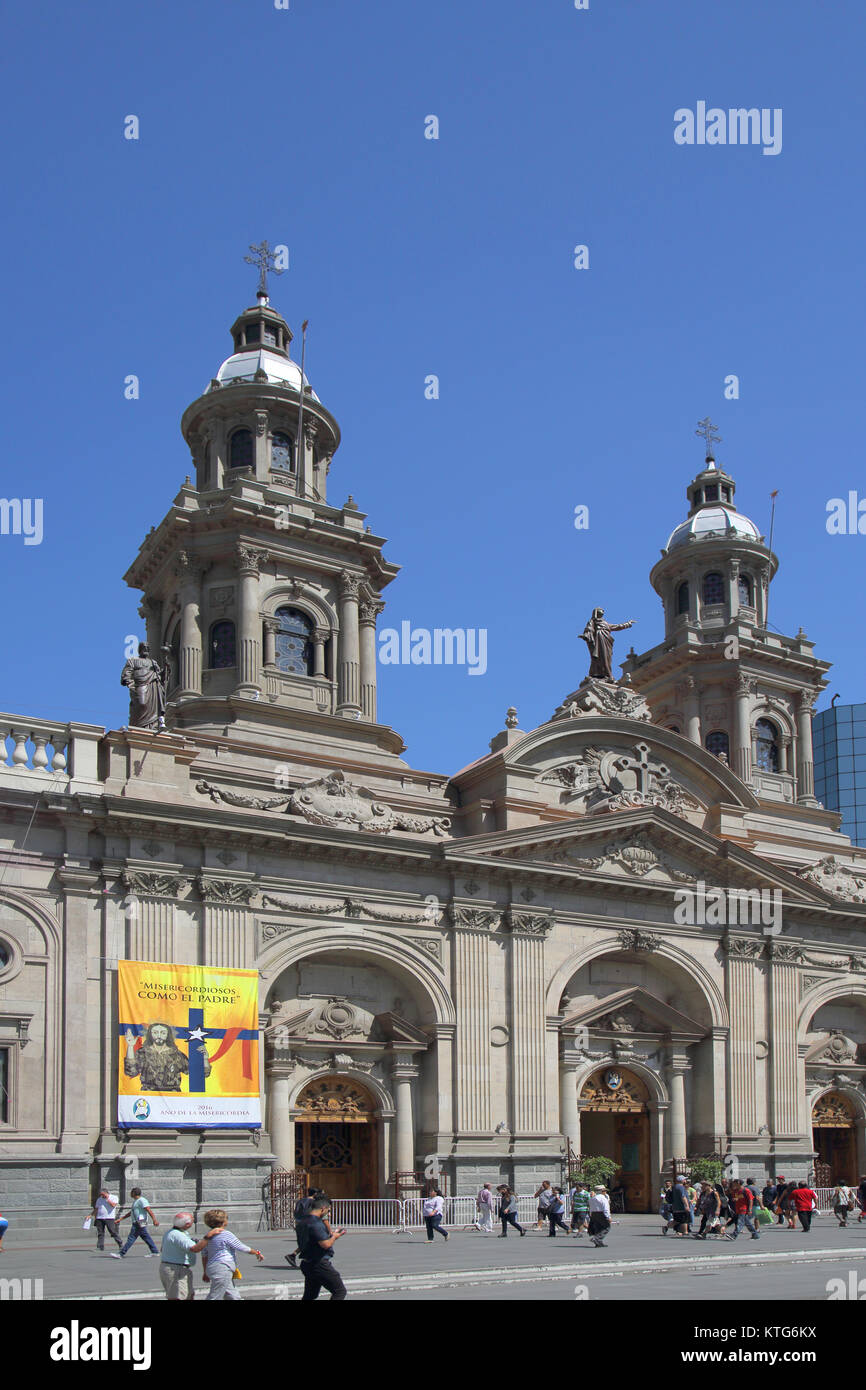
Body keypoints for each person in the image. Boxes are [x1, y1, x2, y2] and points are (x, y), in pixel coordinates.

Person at [201, 1208, 264, 1299]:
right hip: (223, 1267)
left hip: (212, 1268)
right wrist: (257, 1252)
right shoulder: (226, 1234)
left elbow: (204, 1255)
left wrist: (205, 1272)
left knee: (233, 1296)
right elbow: (242, 1247)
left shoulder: (207, 1236)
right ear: (223, 1222)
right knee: (215, 1296)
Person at [296, 1195, 347, 1300]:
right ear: (323, 1209)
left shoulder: (302, 1221)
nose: (329, 1214)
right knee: (339, 1291)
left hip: (307, 1263)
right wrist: (335, 1237)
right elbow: (326, 1244)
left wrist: (331, 1235)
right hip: (319, 1263)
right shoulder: (316, 1223)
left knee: (310, 1295)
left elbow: (312, 1240)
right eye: (328, 1211)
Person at [159, 1212, 213, 1301]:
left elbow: (162, 1249)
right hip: (176, 1269)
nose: (193, 1221)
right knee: (178, 1296)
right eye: (192, 1220)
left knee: (188, 1294)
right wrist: (208, 1237)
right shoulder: (178, 1235)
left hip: (176, 1268)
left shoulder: (172, 1232)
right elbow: (195, 1248)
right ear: (187, 1224)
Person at [285, 1187, 327, 1268]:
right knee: (312, 1241)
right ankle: (308, 1261)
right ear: (315, 1194)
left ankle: (293, 1255)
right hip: (309, 1224)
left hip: (300, 1224)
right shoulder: (313, 1202)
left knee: (305, 1242)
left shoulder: (301, 1201)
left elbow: (296, 1213)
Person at [113, 1187, 159, 1258]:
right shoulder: (136, 1201)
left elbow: (149, 1210)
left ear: (134, 1193)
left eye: (131, 1192)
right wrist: (121, 1219)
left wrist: (154, 1220)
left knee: (131, 1238)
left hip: (140, 1221)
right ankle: (155, 1251)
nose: (130, 1194)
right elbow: (131, 1212)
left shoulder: (142, 1200)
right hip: (137, 1221)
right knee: (145, 1237)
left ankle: (121, 1253)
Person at [90, 1188, 122, 1253]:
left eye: (103, 1194)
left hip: (109, 1218)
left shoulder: (114, 1197)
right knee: (100, 1233)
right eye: (101, 1195)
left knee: (112, 1231)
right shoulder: (99, 1199)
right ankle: (100, 1246)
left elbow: (113, 1205)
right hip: (100, 1218)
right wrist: (91, 1215)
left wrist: (107, 1199)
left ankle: (120, 1243)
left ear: (106, 1193)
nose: (102, 1196)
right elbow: (96, 1209)